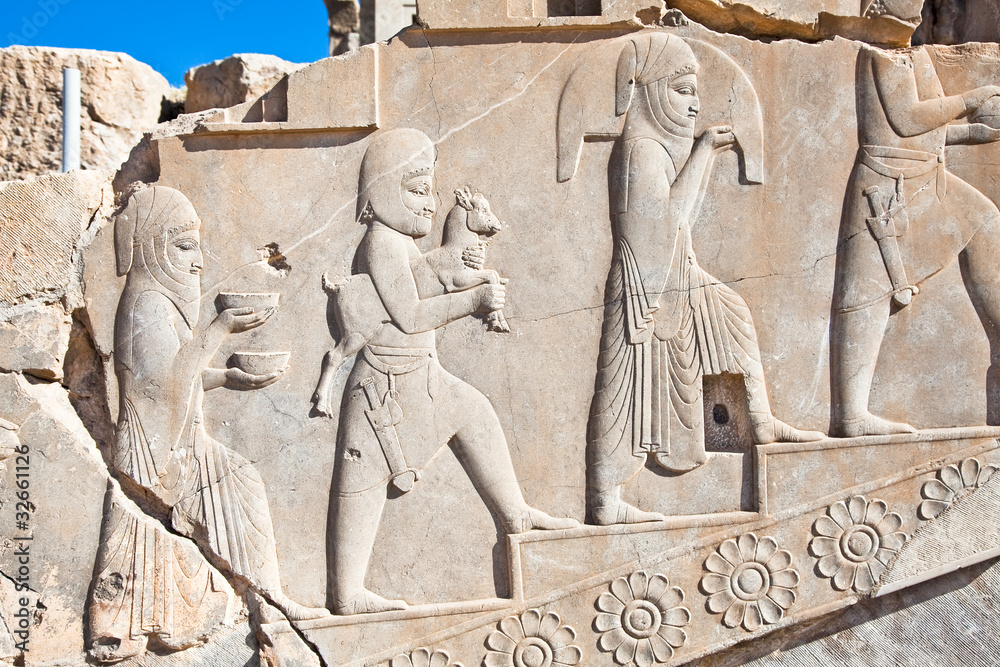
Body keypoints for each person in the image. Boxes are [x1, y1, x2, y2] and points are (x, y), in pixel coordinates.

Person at [327, 128, 578, 616]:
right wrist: (474, 300)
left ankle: (516, 516)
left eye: (430, 190)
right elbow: (410, 314)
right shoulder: (380, 242)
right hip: (385, 384)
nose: (429, 202)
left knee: (476, 411)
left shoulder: (399, 243)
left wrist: (449, 261)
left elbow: (421, 277)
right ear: (380, 193)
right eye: (417, 190)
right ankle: (346, 593)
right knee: (361, 483)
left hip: (420, 375)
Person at [585, 33, 823, 526]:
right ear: (648, 90)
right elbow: (666, 220)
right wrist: (705, 152)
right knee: (623, 390)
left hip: (673, 274)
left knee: (729, 313)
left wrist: (702, 153)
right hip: (642, 291)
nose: (695, 104)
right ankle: (604, 500)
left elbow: (679, 220)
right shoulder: (640, 151)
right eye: (682, 91)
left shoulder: (653, 148)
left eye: (695, 92)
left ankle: (760, 423)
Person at [90, 185, 326, 662]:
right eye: (184, 244)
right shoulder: (146, 305)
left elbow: (177, 374)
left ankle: (266, 604)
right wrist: (220, 329)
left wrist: (229, 377)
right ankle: (266, 606)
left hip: (177, 439)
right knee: (241, 481)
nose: (198, 260)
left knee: (240, 483)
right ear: (152, 245)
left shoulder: (157, 300)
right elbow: (161, 390)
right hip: (156, 451)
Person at [830, 45, 1000, 437]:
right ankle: (852, 415)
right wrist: (969, 99)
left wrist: (971, 132)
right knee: (867, 295)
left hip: (928, 180)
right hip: (886, 186)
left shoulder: (915, 56)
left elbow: (925, 131)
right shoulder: (880, 56)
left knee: (985, 220)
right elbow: (905, 120)